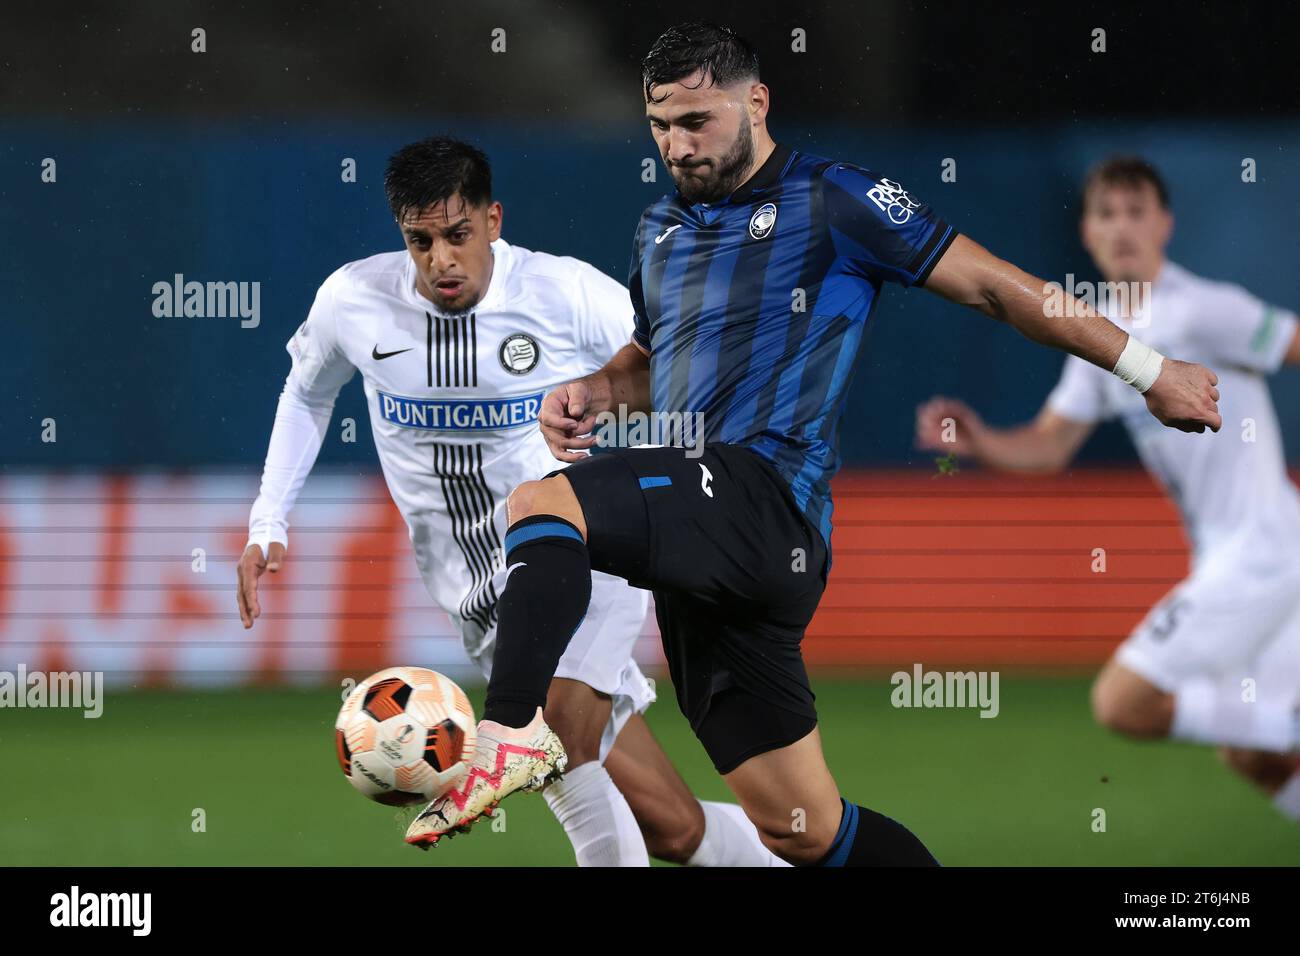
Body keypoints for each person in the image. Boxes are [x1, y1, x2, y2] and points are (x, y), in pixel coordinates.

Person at [405, 25, 1221, 865]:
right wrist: (597, 392)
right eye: (659, 125)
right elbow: (653, 361)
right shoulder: (659, 229)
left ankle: (509, 730)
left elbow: (993, 287)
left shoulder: (834, 198)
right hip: (707, 549)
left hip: (764, 501)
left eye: (696, 121)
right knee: (803, 830)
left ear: (755, 102)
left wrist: (1146, 367)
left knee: (543, 502)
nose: (676, 146)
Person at [238, 135, 786, 866]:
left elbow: (679, 369)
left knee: (558, 739)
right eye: (420, 240)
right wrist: (267, 521)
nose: (441, 259)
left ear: (493, 220)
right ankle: (821, 854)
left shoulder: (563, 292)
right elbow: (306, 394)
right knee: (672, 828)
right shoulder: (353, 302)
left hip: (578, 546)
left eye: (458, 235)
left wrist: (673, 455)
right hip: (479, 596)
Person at [917, 155, 1300, 819]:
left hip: (1265, 550)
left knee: (1122, 701)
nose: (1122, 227)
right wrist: (980, 442)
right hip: (1241, 558)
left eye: (1135, 212)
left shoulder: (1207, 310)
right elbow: (1048, 447)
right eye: (1106, 214)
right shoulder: (1104, 343)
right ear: (1088, 234)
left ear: (1165, 224)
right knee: (1253, 753)